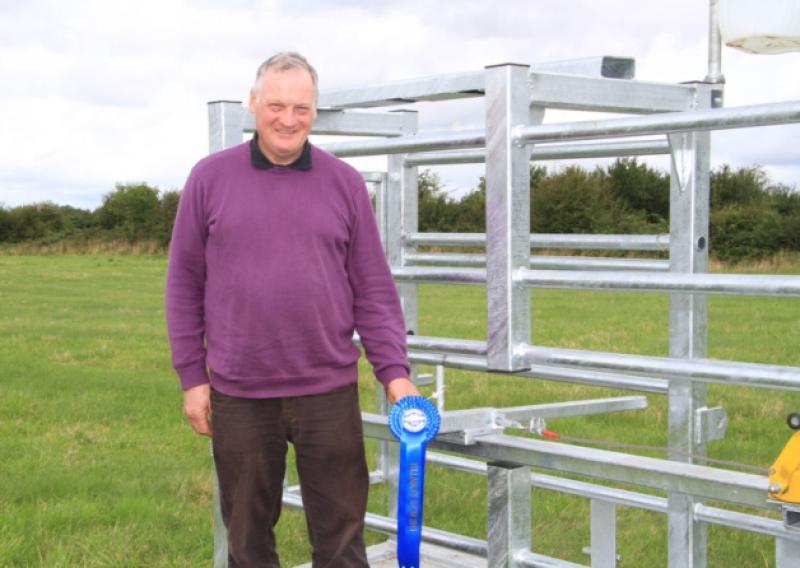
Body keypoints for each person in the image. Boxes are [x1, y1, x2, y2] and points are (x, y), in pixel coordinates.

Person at [165, 51, 420, 567]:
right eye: (276, 105)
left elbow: (371, 286)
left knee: (342, 538)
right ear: (253, 104)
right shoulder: (209, 179)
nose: (287, 119)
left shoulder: (344, 183)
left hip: (326, 390)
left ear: (315, 111)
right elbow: (183, 283)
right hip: (240, 391)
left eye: (300, 108)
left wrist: (395, 374)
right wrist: (193, 376)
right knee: (247, 540)